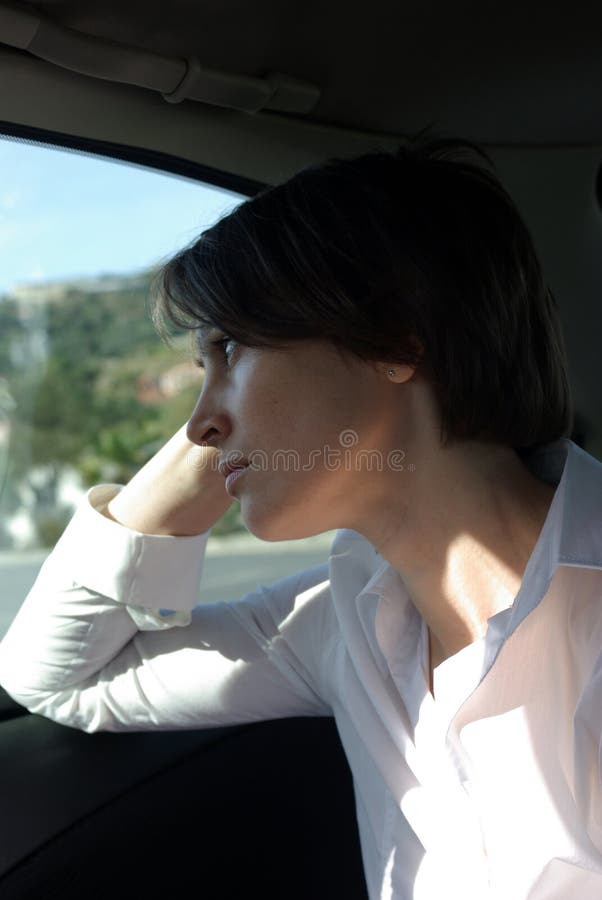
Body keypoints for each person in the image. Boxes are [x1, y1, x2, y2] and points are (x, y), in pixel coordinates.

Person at [0, 135, 601, 899]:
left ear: (392, 339)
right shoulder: (339, 622)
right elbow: (57, 681)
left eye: (229, 347)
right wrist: (228, 436)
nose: (196, 424)